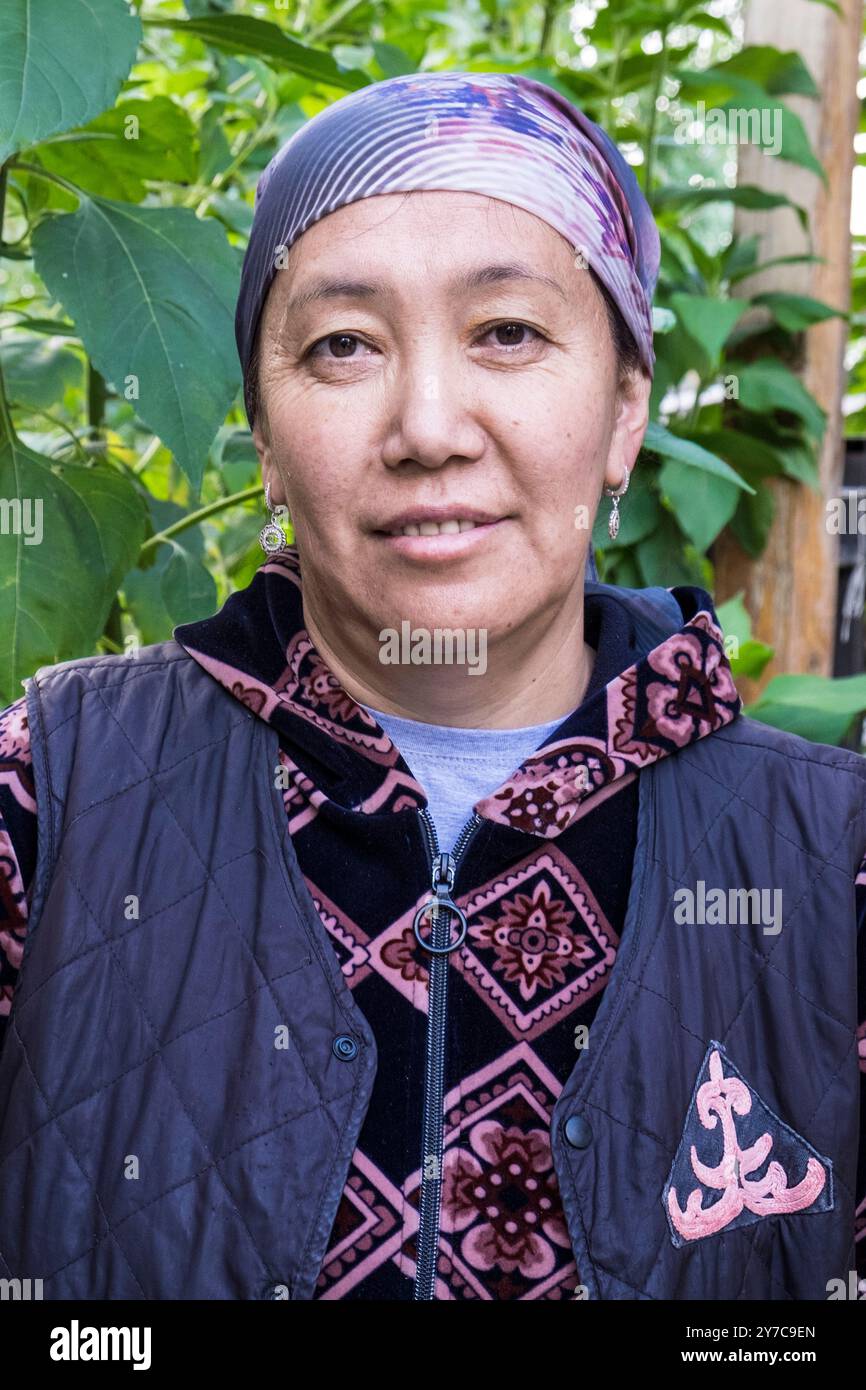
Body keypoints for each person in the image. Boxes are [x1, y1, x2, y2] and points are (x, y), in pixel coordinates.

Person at [0, 70, 864, 1302]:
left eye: (506, 331)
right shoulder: (53, 797)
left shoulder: (830, 863)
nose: (427, 424)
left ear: (624, 410)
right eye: (342, 345)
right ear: (263, 433)